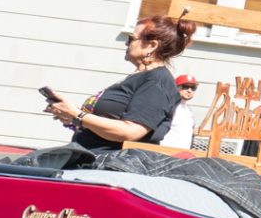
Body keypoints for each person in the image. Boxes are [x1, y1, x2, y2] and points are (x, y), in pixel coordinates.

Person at [40, 15, 198, 154]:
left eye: (131, 39)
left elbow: (131, 131)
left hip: (107, 168)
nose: (126, 44)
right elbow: (106, 125)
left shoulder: (157, 81)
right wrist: (72, 118)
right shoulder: (141, 77)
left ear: (152, 46)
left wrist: (77, 114)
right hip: (88, 157)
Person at [155, 74, 202, 147]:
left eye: (193, 88)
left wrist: (192, 132)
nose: (189, 90)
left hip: (183, 154)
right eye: (185, 87)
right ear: (175, 87)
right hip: (165, 152)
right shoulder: (168, 107)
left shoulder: (189, 110)